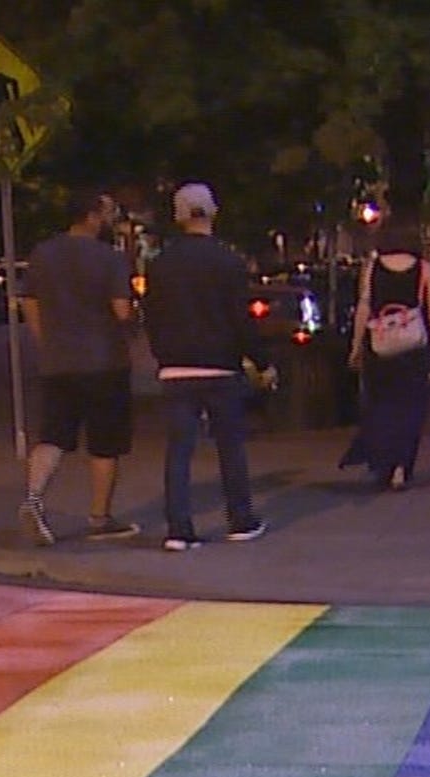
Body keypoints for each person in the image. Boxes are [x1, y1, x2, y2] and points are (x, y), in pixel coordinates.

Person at [141, 181, 265, 550]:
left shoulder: (159, 265)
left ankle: (179, 530)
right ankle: (240, 519)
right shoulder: (229, 261)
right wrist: (261, 360)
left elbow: (152, 316)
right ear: (212, 211)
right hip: (220, 366)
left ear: (178, 217)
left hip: (176, 367)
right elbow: (240, 320)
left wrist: (162, 354)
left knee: (178, 452)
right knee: (230, 445)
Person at [17, 189, 140, 545]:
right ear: (92, 216)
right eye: (107, 212)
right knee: (105, 443)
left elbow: (30, 303)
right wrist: (135, 323)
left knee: (53, 435)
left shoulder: (43, 254)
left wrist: (47, 342)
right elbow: (121, 310)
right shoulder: (109, 258)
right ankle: (100, 518)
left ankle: (34, 497)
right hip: (105, 362)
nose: (111, 218)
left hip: (58, 362)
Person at [338, 216, 430, 491]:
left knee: (381, 405)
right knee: (411, 408)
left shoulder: (372, 267)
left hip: (380, 344)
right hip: (413, 348)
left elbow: (364, 305)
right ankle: (401, 467)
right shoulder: (425, 269)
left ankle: (382, 462)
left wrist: (356, 344)